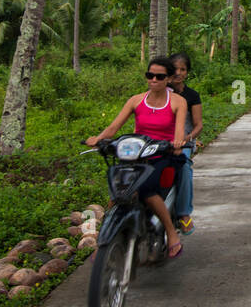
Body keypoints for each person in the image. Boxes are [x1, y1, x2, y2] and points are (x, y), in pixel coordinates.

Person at [85, 56, 187, 259]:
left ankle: (171, 232)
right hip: (136, 154)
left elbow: (179, 133)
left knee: (147, 189)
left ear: (168, 79)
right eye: (150, 75)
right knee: (118, 191)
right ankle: (107, 237)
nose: (154, 80)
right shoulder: (135, 100)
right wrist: (99, 138)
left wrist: (177, 144)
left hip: (161, 154)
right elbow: (114, 127)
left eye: (159, 76)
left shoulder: (178, 102)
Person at [170, 52, 203, 234]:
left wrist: (187, 138)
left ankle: (183, 213)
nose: (178, 73)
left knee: (183, 167)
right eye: (175, 69)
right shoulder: (160, 91)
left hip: (183, 143)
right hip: (161, 141)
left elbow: (198, 125)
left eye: (183, 69)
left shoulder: (191, 96)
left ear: (187, 73)